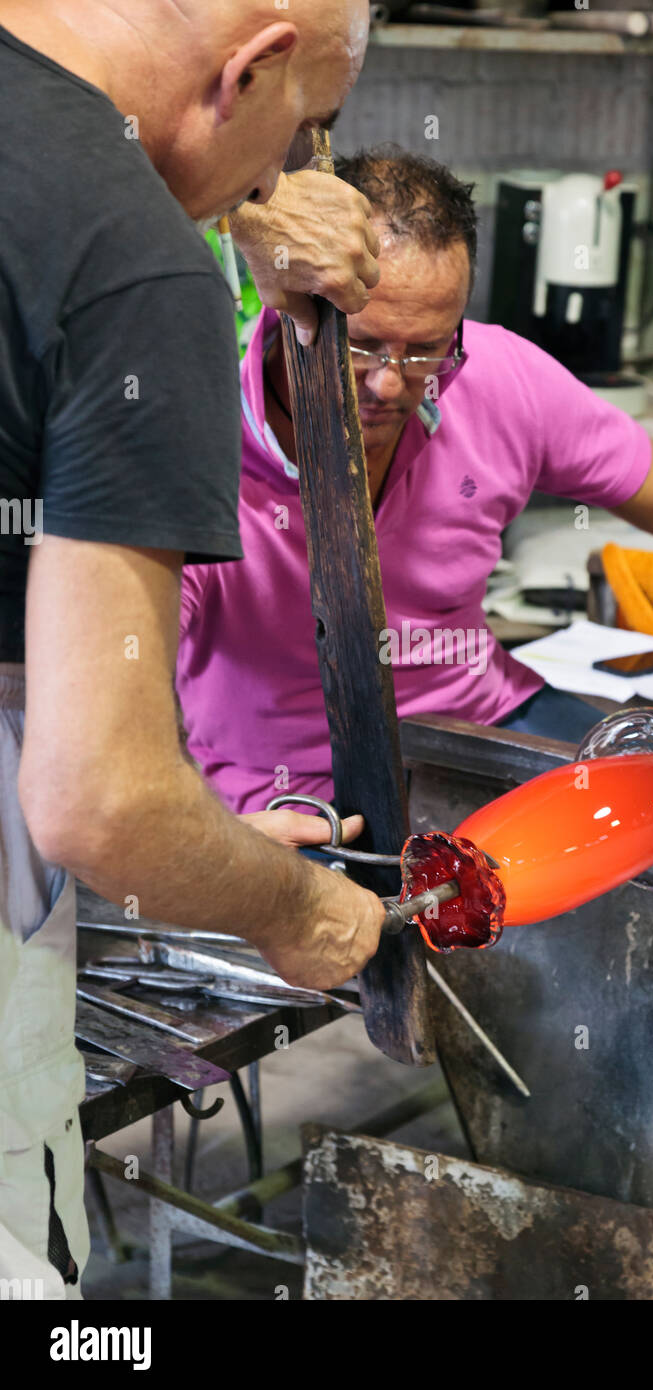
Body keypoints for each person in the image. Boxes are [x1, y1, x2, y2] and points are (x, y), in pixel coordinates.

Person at [0, 0, 385, 1301]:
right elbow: (96, 797)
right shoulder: (133, 260)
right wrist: (299, 908)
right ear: (254, 66)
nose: (286, 183)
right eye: (305, 130)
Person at [176, 146, 653, 815]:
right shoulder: (195, 449)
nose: (391, 383)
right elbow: (103, 696)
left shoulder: (498, 379)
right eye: (361, 345)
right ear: (293, 304)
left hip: (481, 729)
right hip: (290, 785)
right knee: (376, 923)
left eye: (425, 351)